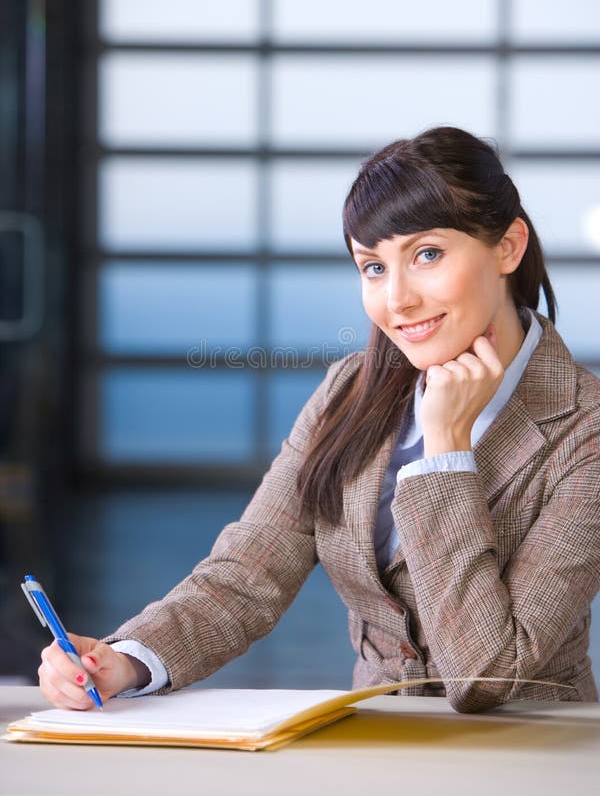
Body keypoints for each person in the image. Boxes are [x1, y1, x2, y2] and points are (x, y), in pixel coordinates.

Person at [38, 126, 600, 713]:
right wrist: (125, 661)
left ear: (508, 246)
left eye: (426, 254)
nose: (398, 299)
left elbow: (488, 675)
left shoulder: (586, 428)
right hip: (377, 744)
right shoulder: (349, 391)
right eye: (373, 268)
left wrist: (446, 450)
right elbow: (248, 572)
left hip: (533, 750)